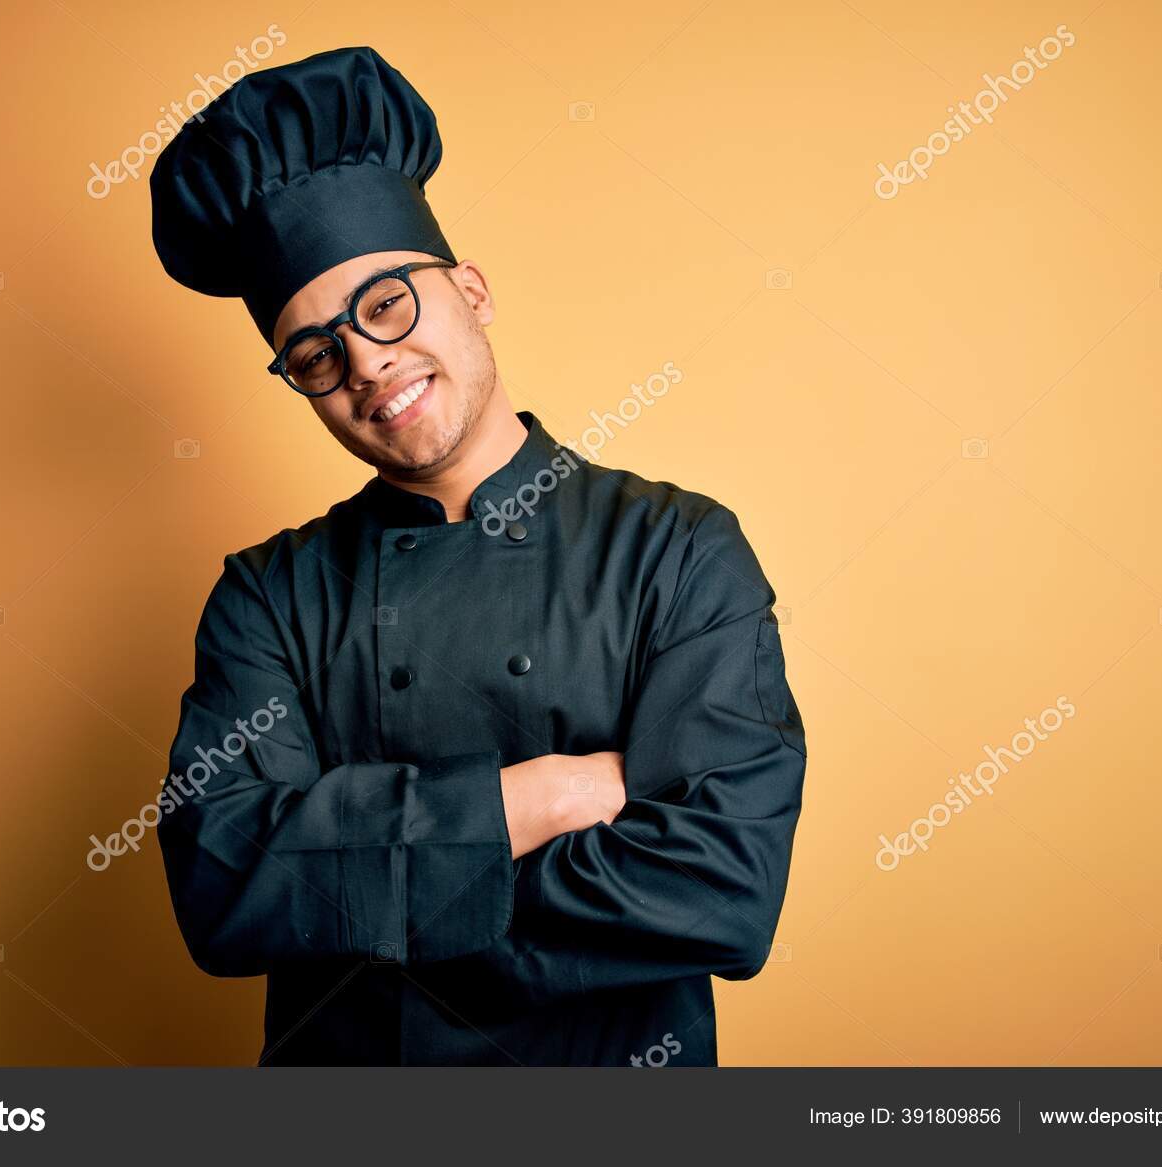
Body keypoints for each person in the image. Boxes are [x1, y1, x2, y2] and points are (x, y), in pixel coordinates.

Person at [148, 44, 807, 1066]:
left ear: (471, 290)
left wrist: (357, 897)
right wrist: (540, 799)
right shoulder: (267, 596)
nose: (368, 364)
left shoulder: (676, 549)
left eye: (384, 304)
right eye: (316, 354)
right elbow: (222, 888)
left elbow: (724, 891)